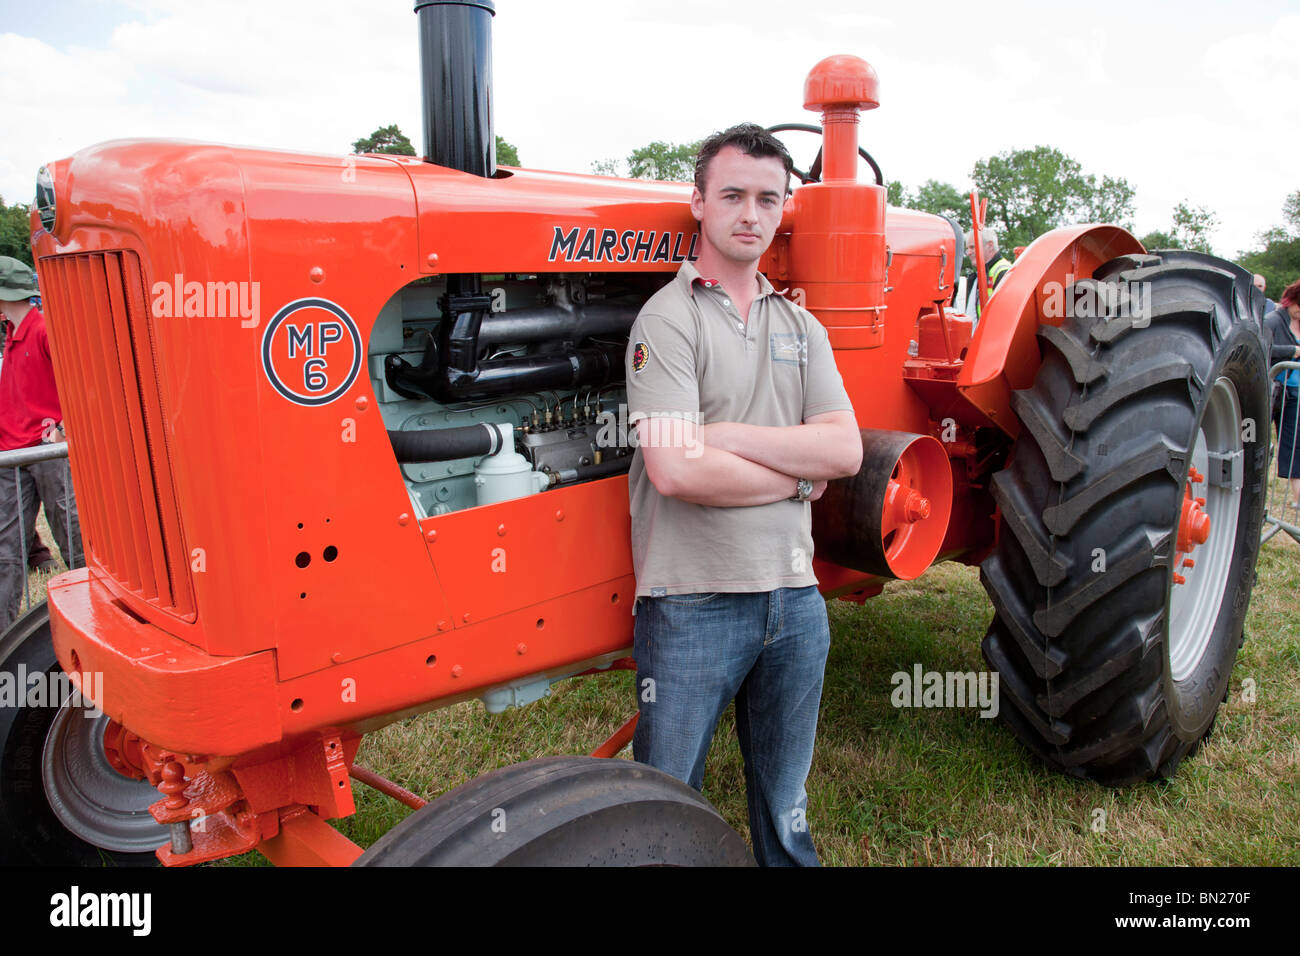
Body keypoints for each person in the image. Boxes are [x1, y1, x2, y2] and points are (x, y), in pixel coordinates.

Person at [624, 124, 862, 866]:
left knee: (786, 811)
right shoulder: (667, 320)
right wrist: (799, 475)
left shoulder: (800, 325)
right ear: (698, 203)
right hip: (692, 601)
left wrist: (723, 433)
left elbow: (846, 450)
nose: (750, 214)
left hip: (796, 599)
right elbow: (675, 471)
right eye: (732, 195)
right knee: (663, 809)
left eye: (768, 198)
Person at [0, 256, 83, 630]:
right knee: (6, 543)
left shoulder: (46, 329)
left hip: (47, 452)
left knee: (72, 531)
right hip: (13, 454)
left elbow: (80, 379)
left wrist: (63, 426)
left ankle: (98, 616)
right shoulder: (13, 337)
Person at [1263, 279, 1300, 506]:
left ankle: (1297, 498)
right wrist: (1292, 351)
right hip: (1272, 389)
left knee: (1295, 445)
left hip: (1295, 393)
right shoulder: (1273, 321)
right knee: (1258, 440)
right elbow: (1262, 347)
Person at [962, 226, 1011, 322]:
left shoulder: (1004, 272)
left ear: (990, 245)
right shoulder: (979, 275)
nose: (968, 252)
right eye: (967, 249)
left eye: (972, 247)